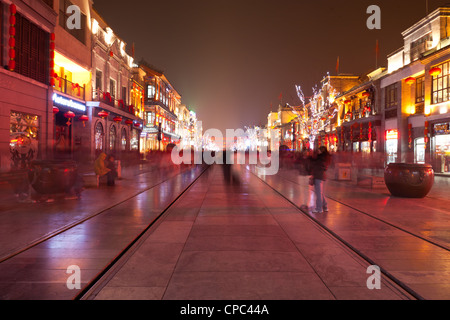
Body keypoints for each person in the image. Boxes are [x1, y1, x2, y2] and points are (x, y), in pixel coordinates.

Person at [310, 146, 331, 213]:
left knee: (318, 193)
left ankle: (319, 208)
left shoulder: (320, 158)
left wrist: (313, 176)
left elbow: (317, 167)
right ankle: (324, 206)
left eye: (319, 150)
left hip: (318, 176)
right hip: (321, 176)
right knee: (319, 192)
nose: (317, 151)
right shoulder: (324, 158)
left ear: (321, 151)